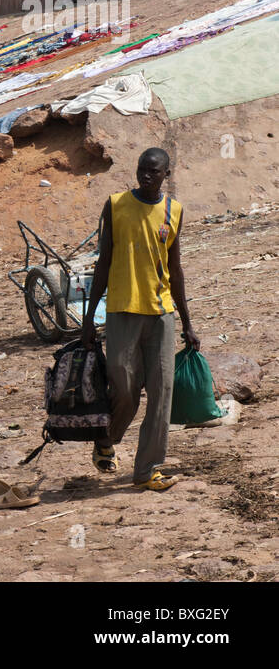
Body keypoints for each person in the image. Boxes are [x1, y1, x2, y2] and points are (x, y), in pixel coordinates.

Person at [82, 147, 198, 492]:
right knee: (125, 389)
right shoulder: (116, 205)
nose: (146, 176)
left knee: (162, 393)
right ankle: (107, 439)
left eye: (153, 171)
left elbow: (175, 270)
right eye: (141, 170)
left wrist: (188, 323)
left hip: (161, 313)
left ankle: (147, 470)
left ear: (166, 174)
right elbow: (103, 262)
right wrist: (89, 318)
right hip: (122, 311)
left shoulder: (173, 211)